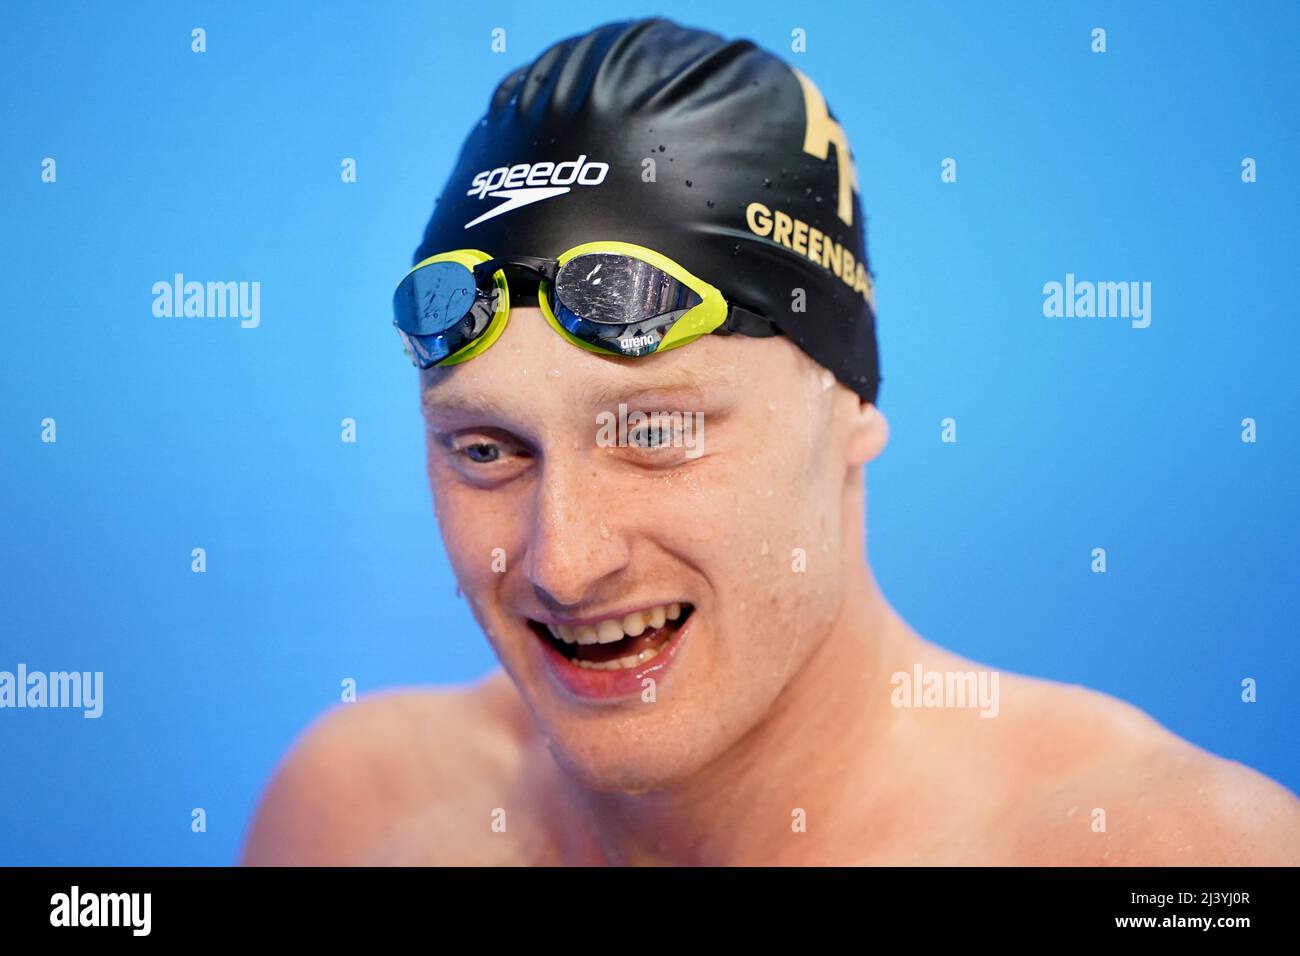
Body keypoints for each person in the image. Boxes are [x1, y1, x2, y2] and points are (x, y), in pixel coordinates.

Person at [242, 17, 1300, 865]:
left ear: (851, 404)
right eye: (486, 449)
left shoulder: (1165, 856)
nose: (564, 561)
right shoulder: (355, 812)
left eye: (654, 429)